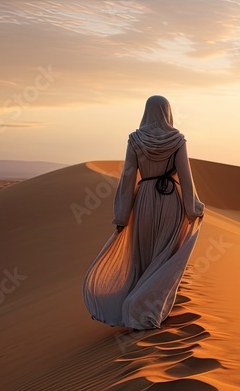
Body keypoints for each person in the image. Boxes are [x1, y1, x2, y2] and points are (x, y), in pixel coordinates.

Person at [83, 95, 205, 330]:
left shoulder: (135, 140)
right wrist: (193, 208)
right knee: (163, 256)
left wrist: (121, 215)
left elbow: (128, 176)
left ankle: (136, 309)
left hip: (144, 202)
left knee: (144, 257)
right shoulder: (177, 140)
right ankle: (144, 309)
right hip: (171, 201)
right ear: (167, 112)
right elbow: (186, 178)